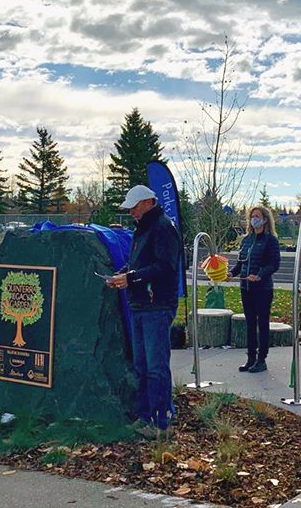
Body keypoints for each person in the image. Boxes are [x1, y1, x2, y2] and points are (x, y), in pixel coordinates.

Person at [106, 185, 180, 435]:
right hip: (141, 304)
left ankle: (161, 422)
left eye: (135, 207)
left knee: (156, 366)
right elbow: (139, 262)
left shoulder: (162, 227)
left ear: (148, 202)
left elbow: (166, 267)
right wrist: (123, 274)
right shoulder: (143, 229)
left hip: (156, 305)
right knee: (142, 365)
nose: (131, 213)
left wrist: (132, 277)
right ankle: (146, 415)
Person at [229, 206, 280, 373]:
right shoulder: (246, 240)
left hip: (263, 289)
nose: (254, 219)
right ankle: (250, 358)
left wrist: (260, 275)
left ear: (265, 220)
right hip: (246, 288)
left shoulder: (270, 240)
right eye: (252, 216)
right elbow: (240, 263)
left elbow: (274, 264)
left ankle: (262, 359)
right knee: (250, 323)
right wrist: (231, 273)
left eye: (257, 216)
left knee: (262, 323)